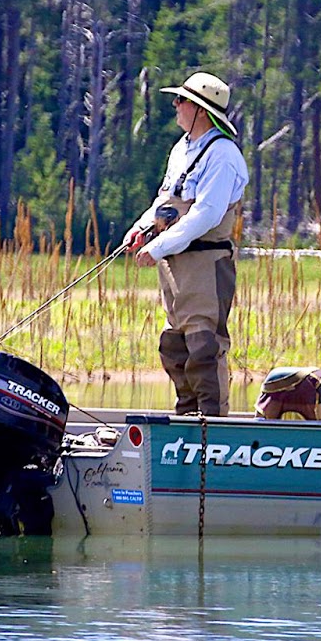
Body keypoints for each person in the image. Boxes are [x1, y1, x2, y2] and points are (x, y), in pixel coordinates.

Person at [123, 72, 249, 416]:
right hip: (175, 266)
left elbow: (206, 215)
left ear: (201, 111)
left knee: (203, 348)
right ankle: (186, 421)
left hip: (206, 266)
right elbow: (166, 200)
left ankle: (212, 426)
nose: (175, 105)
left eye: (182, 100)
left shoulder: (222, 155)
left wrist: (159, 247)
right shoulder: (181, 149)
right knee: (174, 347)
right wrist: (142, 228)